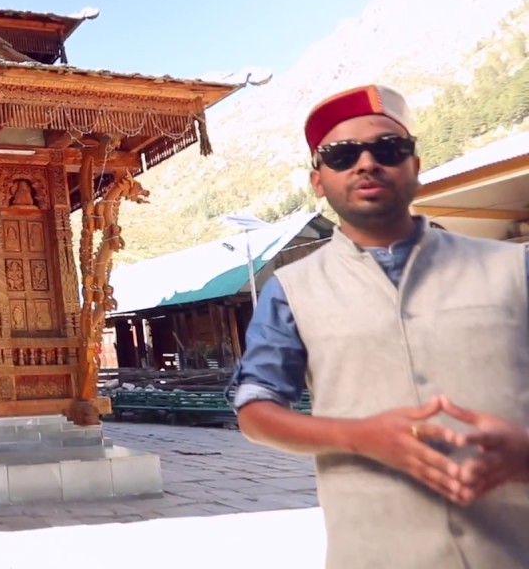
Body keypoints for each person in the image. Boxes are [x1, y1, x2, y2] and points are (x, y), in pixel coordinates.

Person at [225, 84, 529, 568]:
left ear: (415, 164)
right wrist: (358, 435)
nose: (366, 163)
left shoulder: (513, 268)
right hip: (373, 552)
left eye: (388, 149)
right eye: (343, 155)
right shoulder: (292, 289)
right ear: (318, 181)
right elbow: (255, 410)